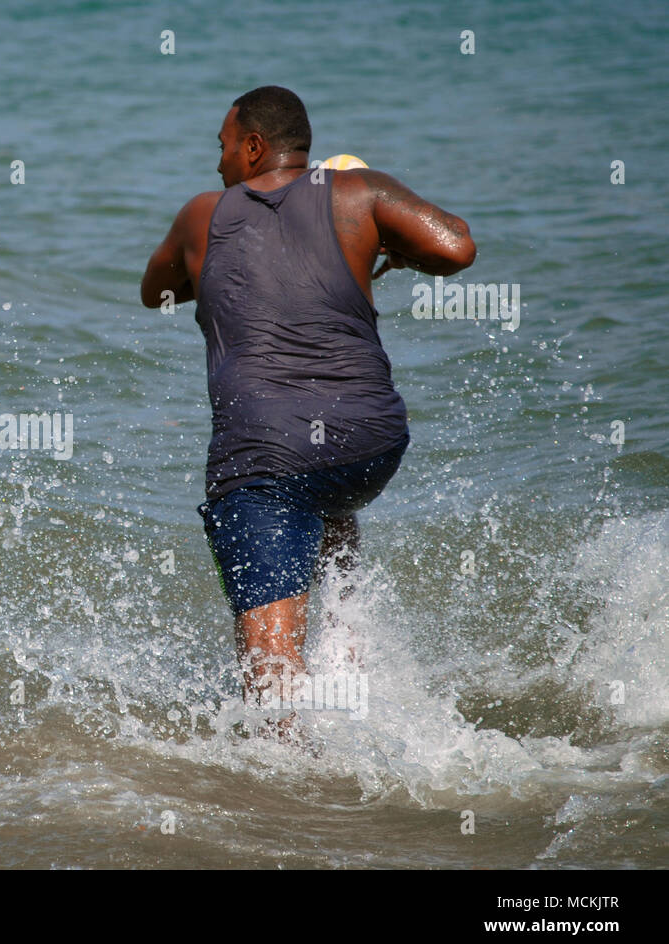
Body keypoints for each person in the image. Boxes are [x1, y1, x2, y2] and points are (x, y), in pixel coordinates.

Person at [140, 87, 476, 739]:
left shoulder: (203, 216)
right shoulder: (358, 194)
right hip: (372, 446)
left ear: (254, 147)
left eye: (223, 148)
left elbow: (154, 292)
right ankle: (347, 645)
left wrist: (204, 272)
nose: (218, 165)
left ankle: (290, 771)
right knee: (323, 494)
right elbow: (456, 247)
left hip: (266, 453)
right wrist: (393, 252)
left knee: (267, 661)